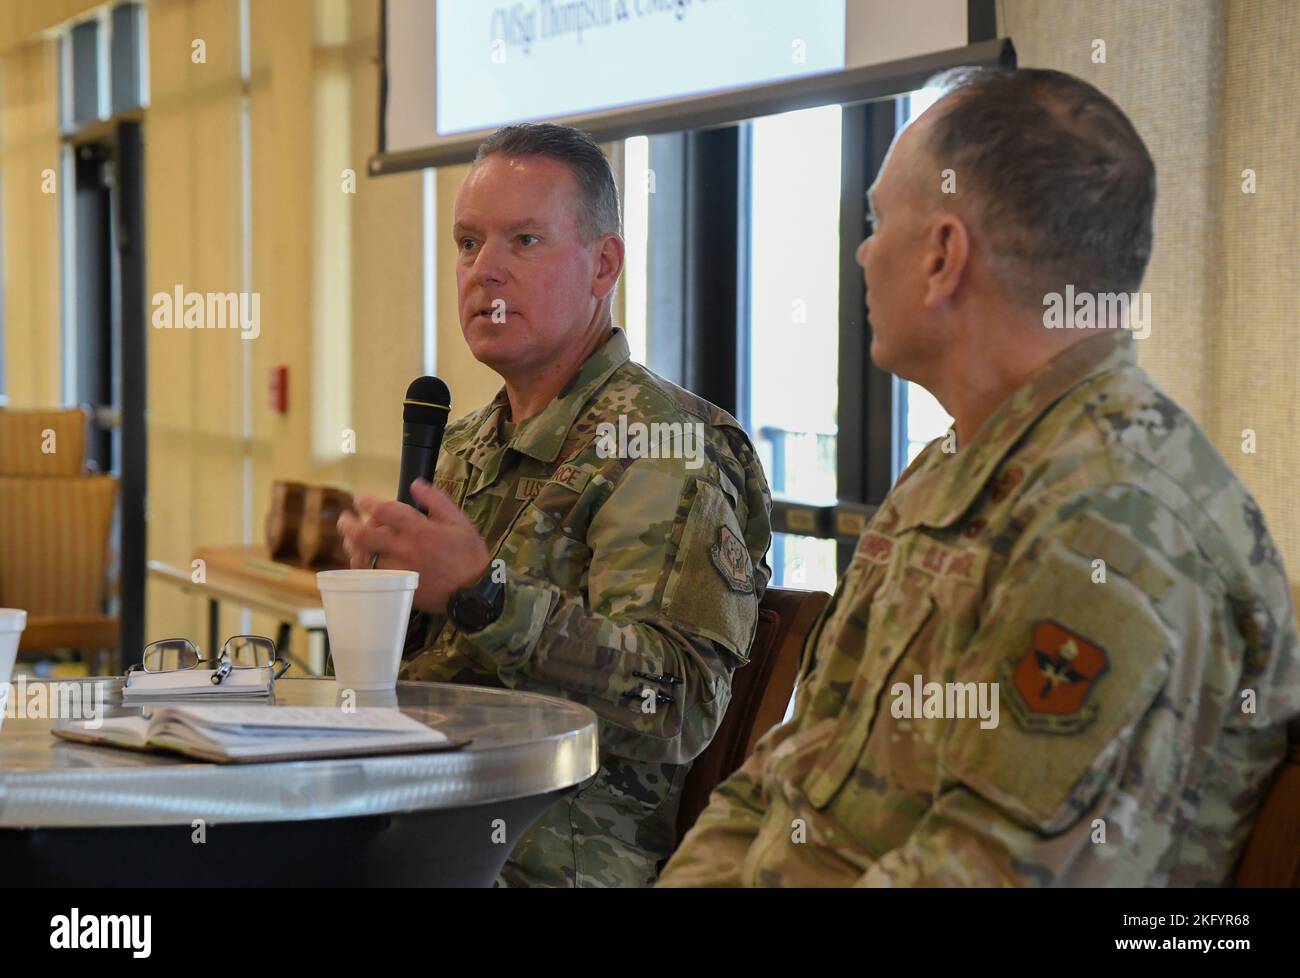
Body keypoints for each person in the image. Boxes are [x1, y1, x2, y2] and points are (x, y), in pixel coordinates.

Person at [658, 66, 1299, 887]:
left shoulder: (1115, 516)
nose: (862, 250)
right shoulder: (951, 467)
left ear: (943, 255)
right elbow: (778, 779)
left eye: (877, 218)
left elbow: (985, 873)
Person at [337, 123, 772, 887]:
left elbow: (678, 705)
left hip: (539, 859)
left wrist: (484, 597)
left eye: (525, 241)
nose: (485, 272)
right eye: (468, 243)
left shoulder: (665, 449)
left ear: (604, 265)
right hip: (411, 818)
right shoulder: (464, 443)